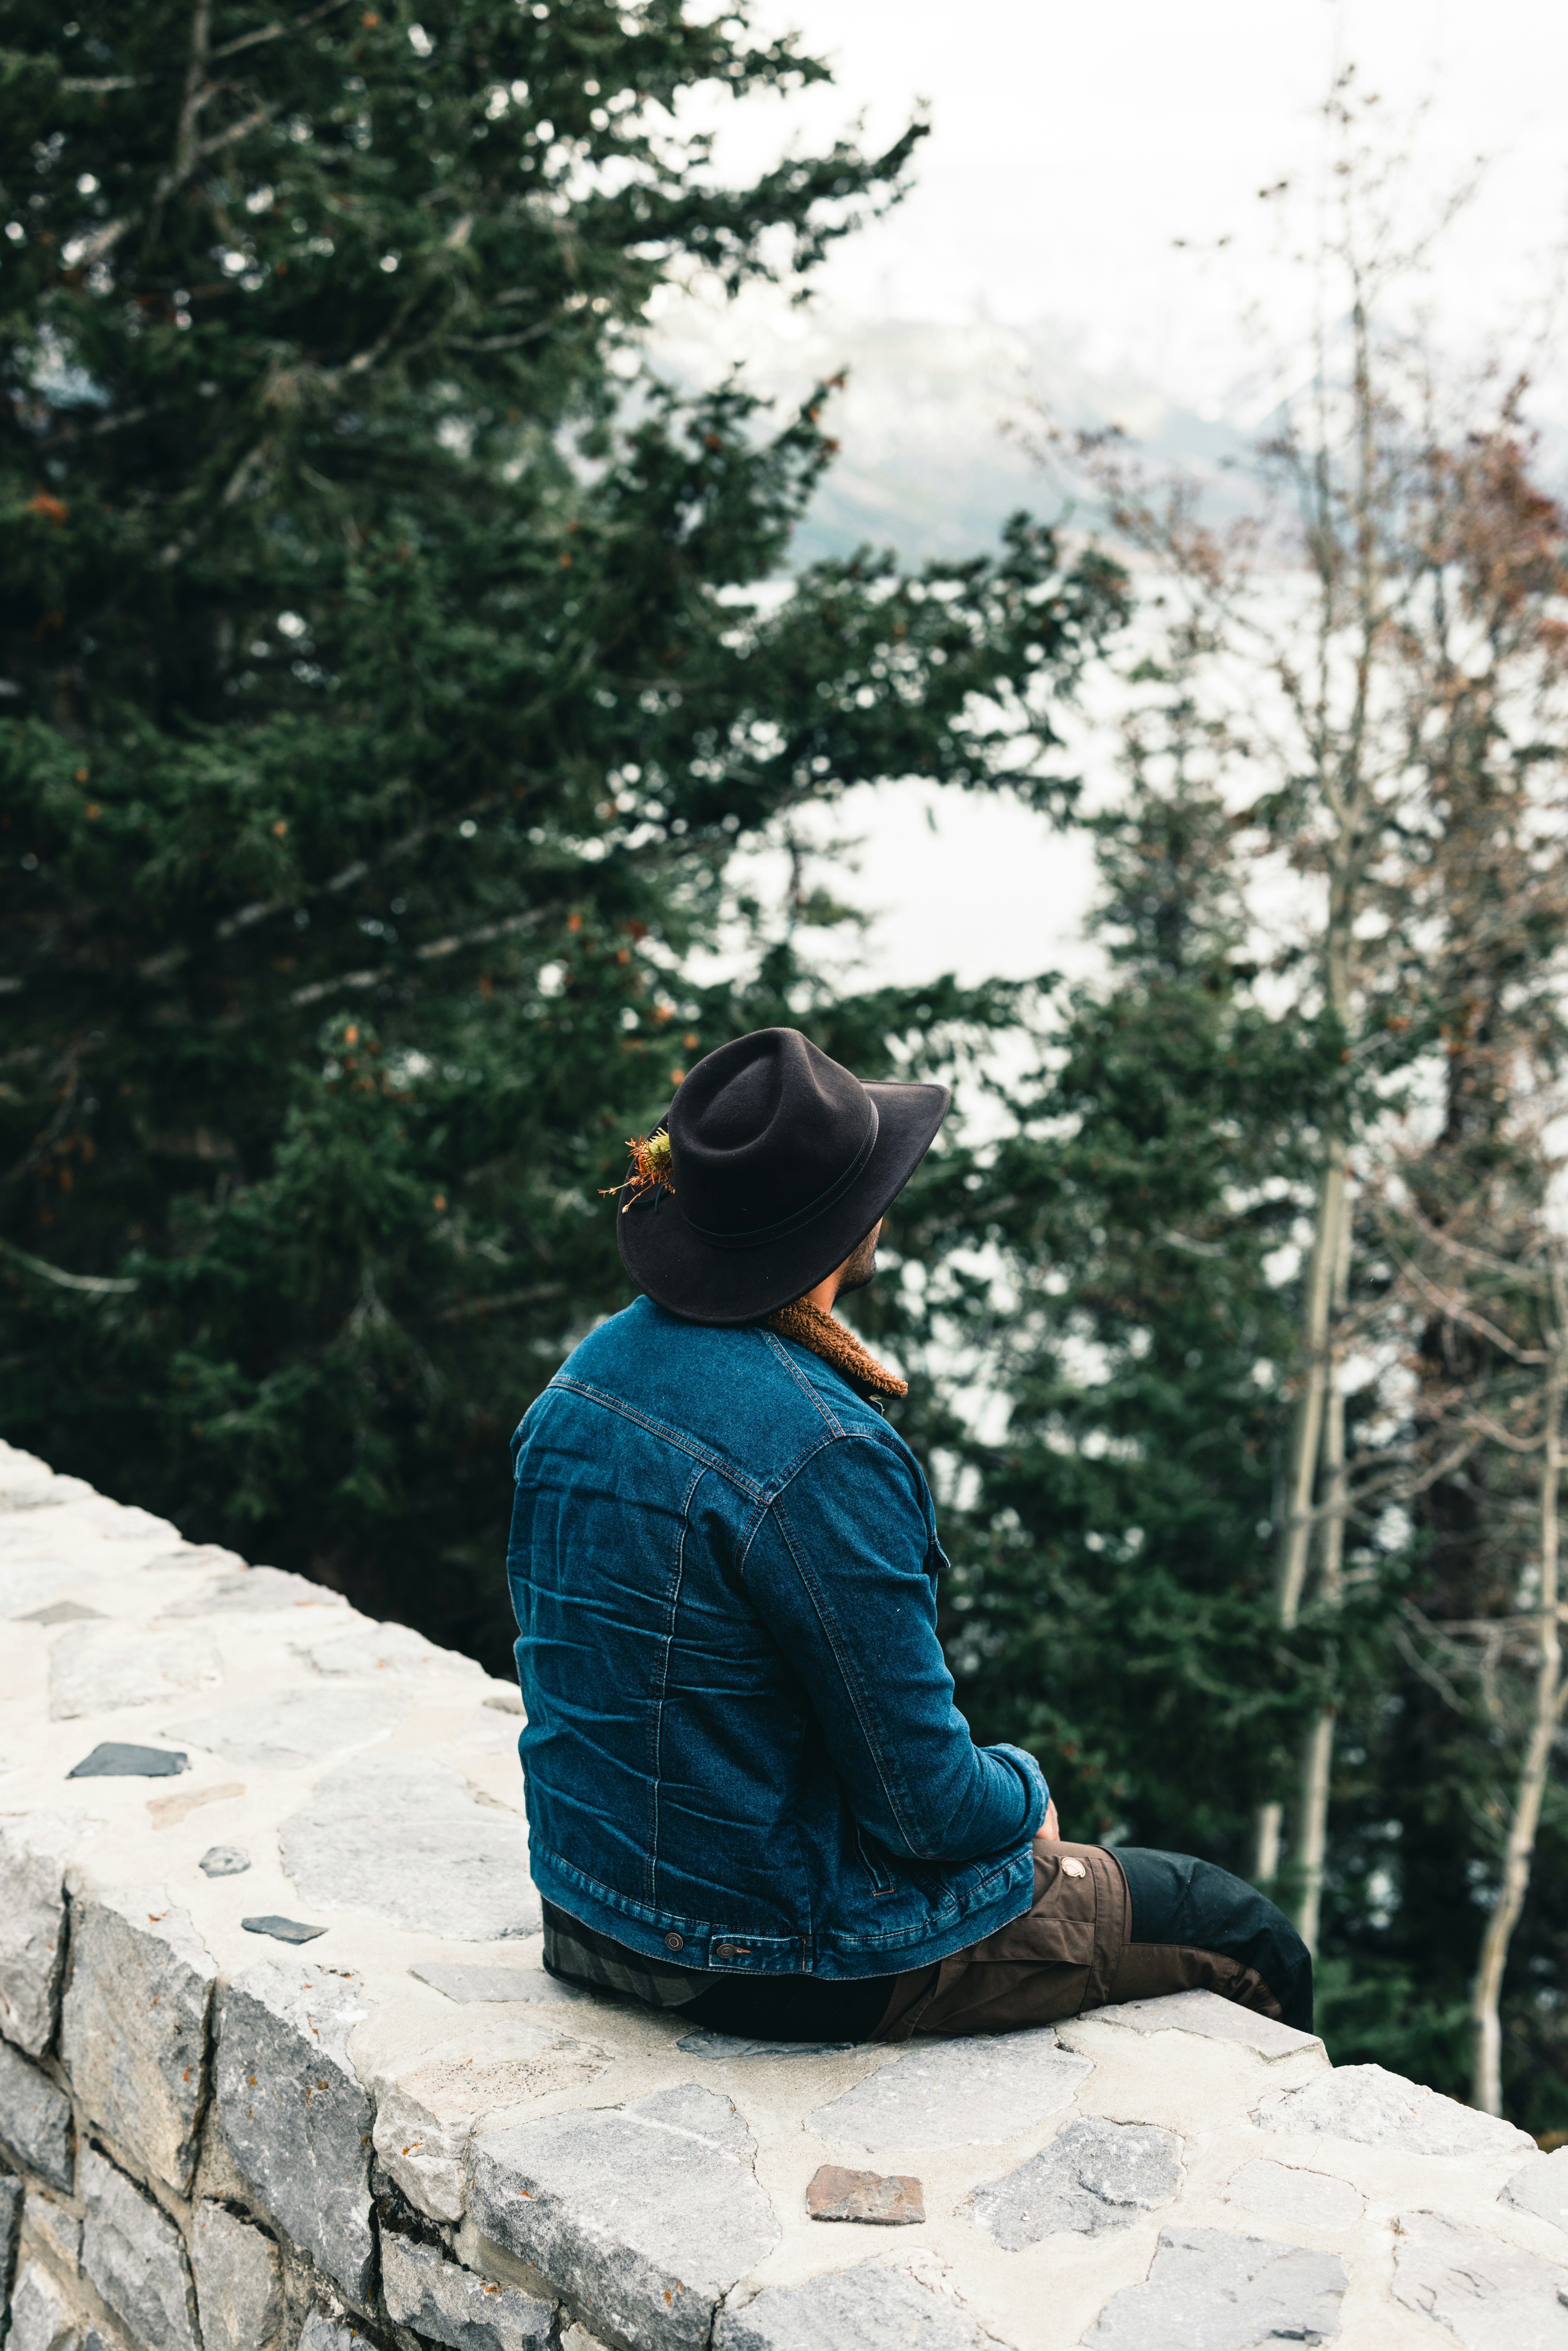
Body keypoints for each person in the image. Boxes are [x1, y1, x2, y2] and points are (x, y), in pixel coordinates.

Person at [505, 1026, 1311, 2043]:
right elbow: (923, 1809)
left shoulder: (582, 1381)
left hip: (586, 1909)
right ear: (846, 1226)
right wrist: (1026, 1793)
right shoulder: (823, 1450)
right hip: (761, 1955)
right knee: (1239, 1932)